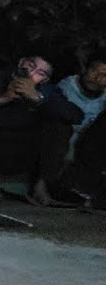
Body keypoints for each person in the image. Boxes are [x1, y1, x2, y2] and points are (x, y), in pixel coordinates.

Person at [0, 56, 84, 206]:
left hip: (22, 152)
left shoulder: (46, 90)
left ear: (45, 79)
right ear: (21, 63)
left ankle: (41, 187)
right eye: (30, 65)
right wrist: (3, 98)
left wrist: (37, 98)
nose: (31, 73)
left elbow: (76, 115)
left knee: (60, 127)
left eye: (40, 73)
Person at [58, 53, 106, 207]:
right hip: (68, 138)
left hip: (93, 145)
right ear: (85, 69)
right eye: (94, 71)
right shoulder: (66, 87)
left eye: (104, 75)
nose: (97, 78)